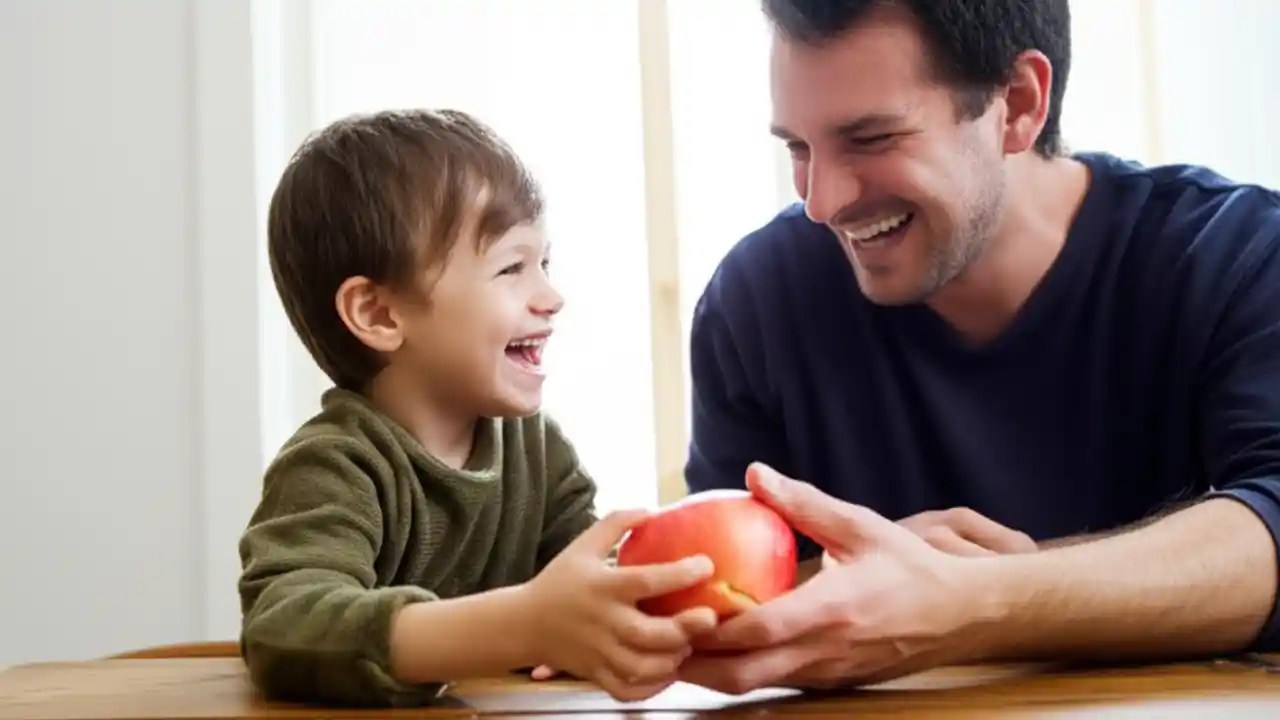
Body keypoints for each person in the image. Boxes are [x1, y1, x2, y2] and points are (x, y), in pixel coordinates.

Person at [679, 0, 1280, 694]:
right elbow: (722, 588)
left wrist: (978, 601)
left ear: (1019, 105)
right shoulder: (757, 301)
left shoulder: (1235, 256)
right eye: (798, 147)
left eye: (872, 138)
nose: (822, 200)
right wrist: (861, 583)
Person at [237, 109, 719, 707]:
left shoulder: (536, 450)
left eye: (544, 264)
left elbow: (586, 584)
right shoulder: (334, 467)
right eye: (512, 267)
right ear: (379, 315)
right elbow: (284, 629)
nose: (551, 297)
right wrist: (520, 625)